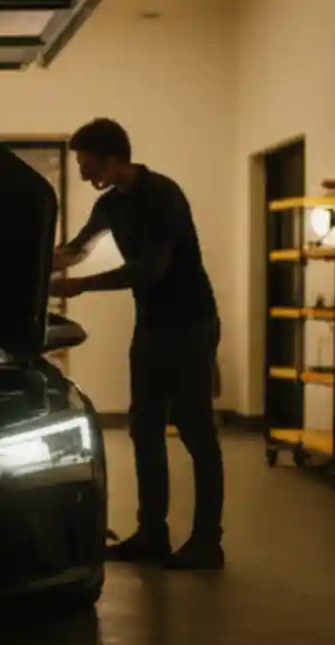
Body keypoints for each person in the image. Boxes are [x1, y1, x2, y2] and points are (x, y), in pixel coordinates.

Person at [51, 118, 225, 570]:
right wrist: (31, 267)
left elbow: (152, 269)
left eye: (88, 165)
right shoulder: (110, 205)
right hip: (152, 325)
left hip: (191, 323)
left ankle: (208, 542)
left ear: (113, 158)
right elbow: (75, 249)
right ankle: (152, 534)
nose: (85, 175)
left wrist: (81, 287)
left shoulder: (163, 195)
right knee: (144, 430)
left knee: (195, 429)